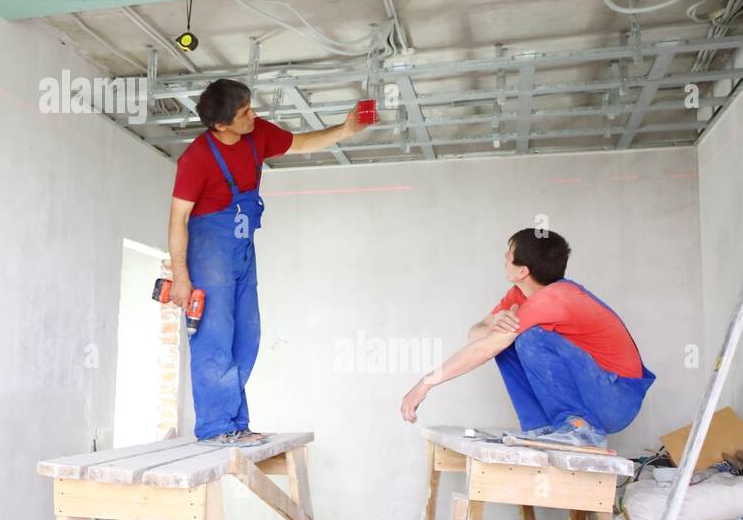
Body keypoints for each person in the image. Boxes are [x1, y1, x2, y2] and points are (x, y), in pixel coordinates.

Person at [169, 79, 366, 446]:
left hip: (242, 249)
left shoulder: (256, 134)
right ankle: (215, 427)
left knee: (248, 336)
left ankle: (235, 423)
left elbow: (303, 142)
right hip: (208, 250)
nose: (254, 115)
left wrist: (346, 129)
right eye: (245, 113)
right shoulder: (195, 159)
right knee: (213, 337)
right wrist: (181, 277)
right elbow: (177, 219)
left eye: (250, 107)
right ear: (220, 125)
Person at [400, 230, 655, 447]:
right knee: (508, 344)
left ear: (523, 270)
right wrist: (494, 328)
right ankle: (541, 428)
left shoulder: (557, 298)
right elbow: (475, 334)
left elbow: (485, 348)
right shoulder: (519, 294)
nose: (504, 258)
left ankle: (581, 431)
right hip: (597, 391)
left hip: (617, 399)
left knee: (528, 338)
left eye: (509, 254)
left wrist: (426, 384)